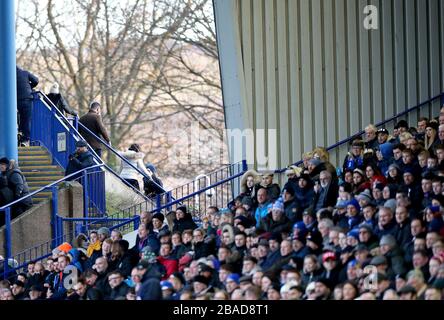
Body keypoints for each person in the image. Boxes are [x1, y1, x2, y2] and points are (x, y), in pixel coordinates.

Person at [16, 66, 39, 146]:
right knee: (26, 120)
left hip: (15, 102)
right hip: (27, 99)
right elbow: (36, 80)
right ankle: (25, 140)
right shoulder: (25, 73)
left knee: (18, 119)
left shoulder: (8, 75)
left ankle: (18, 134)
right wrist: (29, 86)